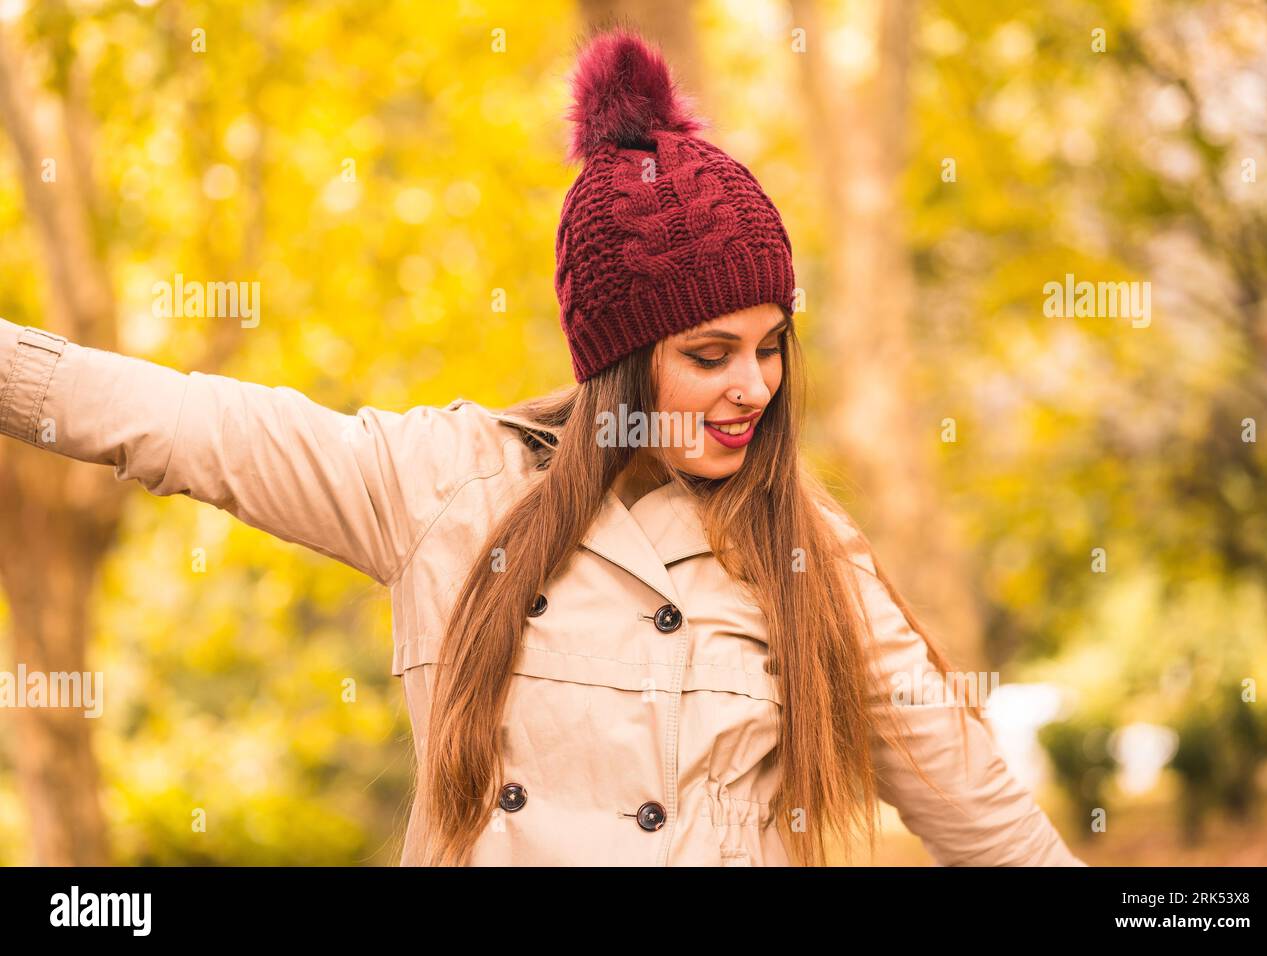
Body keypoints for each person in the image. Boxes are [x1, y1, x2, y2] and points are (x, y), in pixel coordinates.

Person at [0, 26, 1085, 867]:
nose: (751, 387)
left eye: (768, 347)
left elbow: (982, 813)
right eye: (708, 354)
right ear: (617, 359)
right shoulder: (441, 487)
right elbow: (181, 424)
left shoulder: (808, 547)